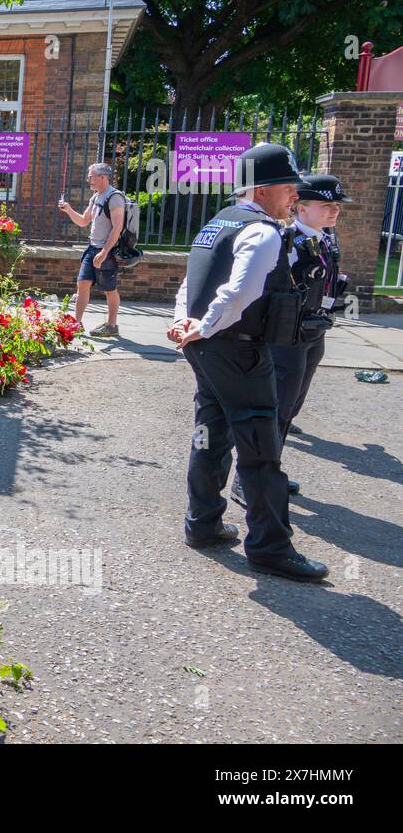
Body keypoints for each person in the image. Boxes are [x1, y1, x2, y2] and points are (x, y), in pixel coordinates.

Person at [168, 143, 328, 582]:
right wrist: (206, 324)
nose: (294, 193)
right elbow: (238, 291)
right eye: (287, 185)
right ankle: (270, 547)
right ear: (262, 189)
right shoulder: (263, 231)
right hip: (237, 348)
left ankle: (203, 523)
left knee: (211, 431)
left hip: (206, 347)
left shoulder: (216, 223)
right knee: (260, 444)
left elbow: (191, 278)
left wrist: (186, 323)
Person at [230, 173, 350, 506]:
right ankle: (247, 479)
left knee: (290, 408)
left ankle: (270, 471)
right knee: (274, 408)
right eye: (326, 205)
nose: (334, 211)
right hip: (287, 338)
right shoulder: (288, 241)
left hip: (313, 333)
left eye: (336, 206)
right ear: (300, 207)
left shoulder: (324, 239)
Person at [58, 162, 125, 336]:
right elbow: (83, 221)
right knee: (82, 284)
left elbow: (117, 227)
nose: (89, 180)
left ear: (103, 177)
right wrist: (69, 210)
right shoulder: (95, 197)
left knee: (109, 289)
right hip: (92, 248)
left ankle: (112, 326)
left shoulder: (115, 197)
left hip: (107, 251)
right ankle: (76, 324)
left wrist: (104, 252)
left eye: (91, 176)